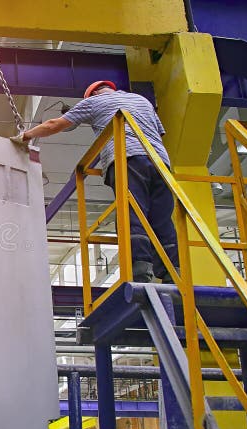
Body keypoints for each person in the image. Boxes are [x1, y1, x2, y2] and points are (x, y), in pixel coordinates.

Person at [12, 80, 178, 283]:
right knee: (162, 219)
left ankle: (141, 268)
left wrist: (25, 136)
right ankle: (172, 271)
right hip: (161, 162)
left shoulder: (93, 102)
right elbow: (160, 132)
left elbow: (55, 125)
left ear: (92, 94)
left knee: (132, 213)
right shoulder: (141, 100)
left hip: (128, 158)